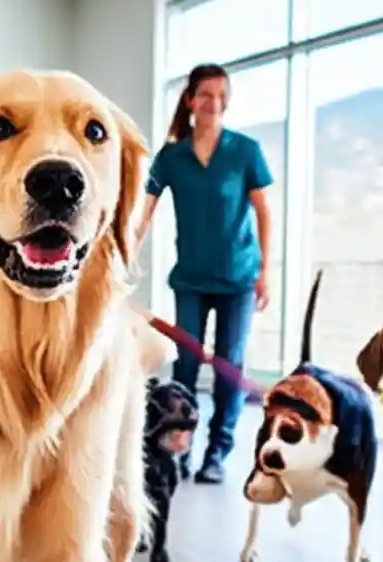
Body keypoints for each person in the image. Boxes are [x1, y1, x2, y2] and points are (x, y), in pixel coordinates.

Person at [134, 63, 275, 485]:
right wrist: (120, 254)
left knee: (230, 366)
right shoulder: (172, 157)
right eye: (206, 94)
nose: (215, 102)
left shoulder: (245, 151)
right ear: (191, 100)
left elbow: (263, 211)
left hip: (238, 279)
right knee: (186, 367)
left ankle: (217, 451)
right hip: (191, 279)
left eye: (221, 94)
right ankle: (181, 446)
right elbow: (144, 212)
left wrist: (266, 270)